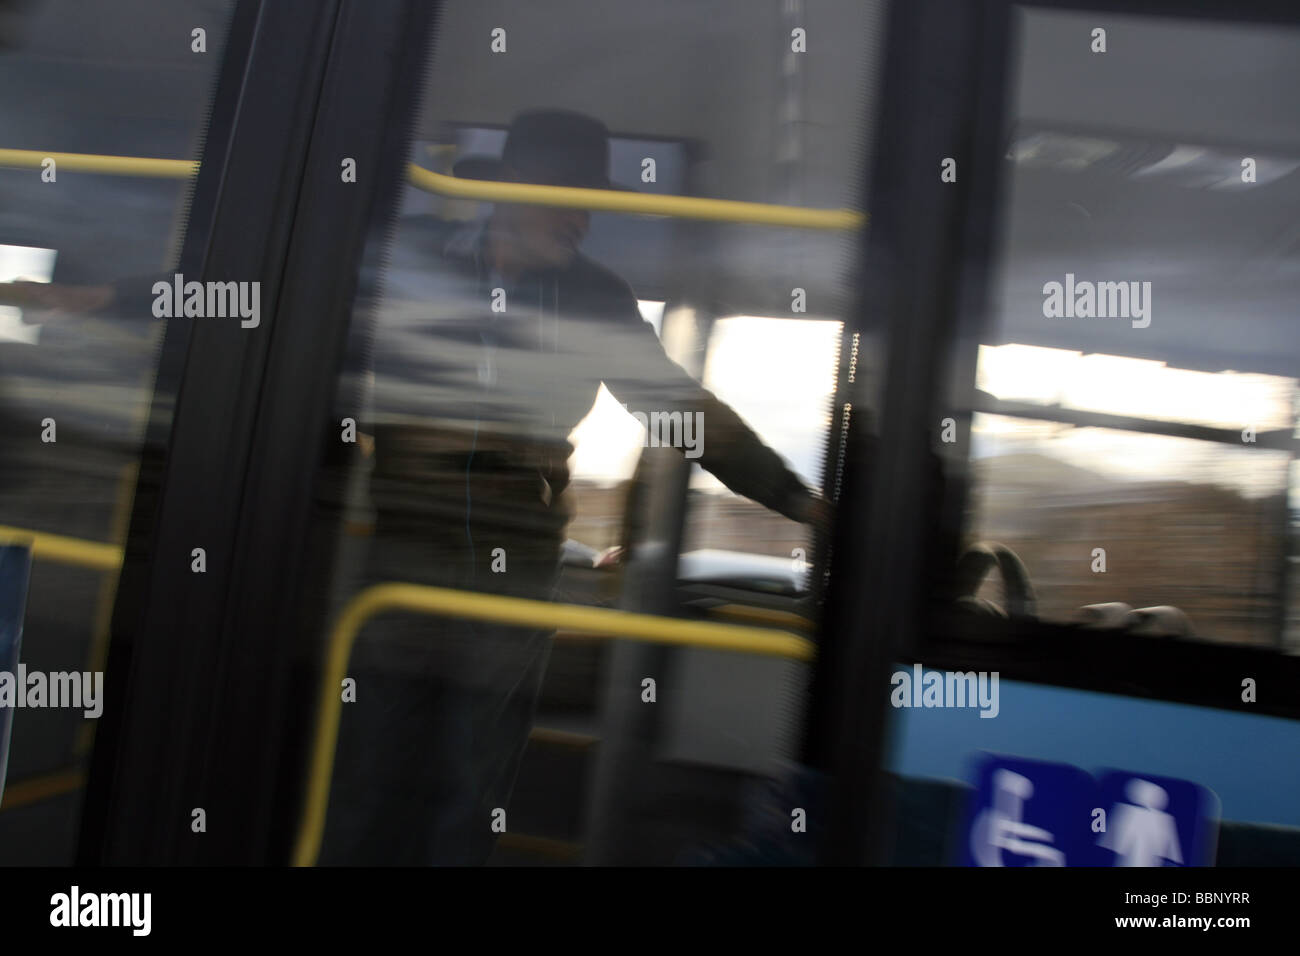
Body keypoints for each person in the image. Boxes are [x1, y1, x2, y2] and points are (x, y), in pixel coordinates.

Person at [1, 109, 827, 864]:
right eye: (563, 198)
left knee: (470, 795)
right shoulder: (409, 262)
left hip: (515, 570)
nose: (581, 219)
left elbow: (679, 410)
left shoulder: (595, 299)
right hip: (400, 560)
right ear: (506, 193)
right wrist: (101, 297)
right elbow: (262, 296)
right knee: (366, 776)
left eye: (591, 203)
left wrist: (800, 504)